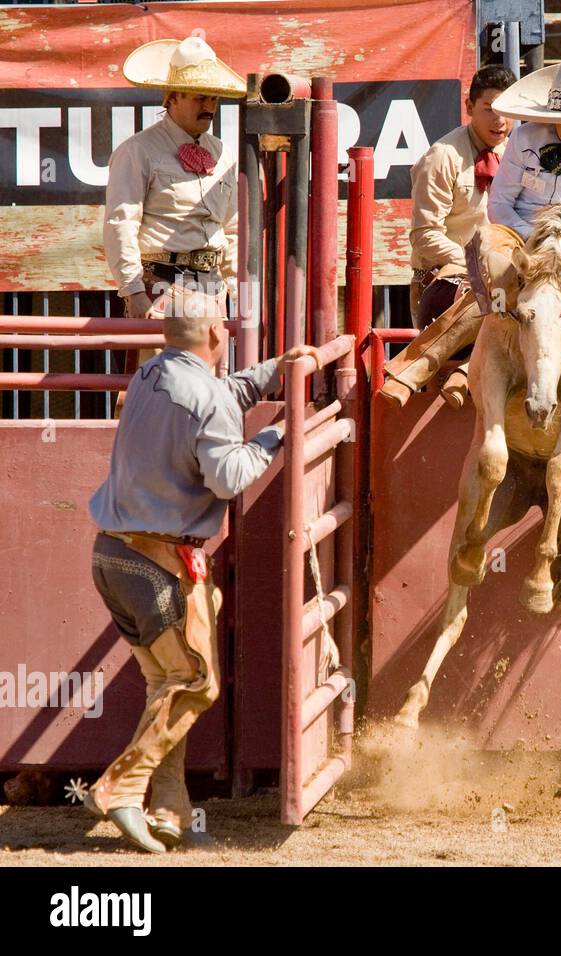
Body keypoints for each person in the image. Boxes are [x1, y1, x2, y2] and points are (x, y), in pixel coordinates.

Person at [85, 304, 318, 853]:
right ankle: (120, 788)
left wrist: (274, 370)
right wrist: (282, 433)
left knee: (166, 685)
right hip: (161, 564)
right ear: (217, 333)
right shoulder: (207, 396)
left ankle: (169, 809)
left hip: (112, 555)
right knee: (195, 683)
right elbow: (228, 477)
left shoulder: (148, 375)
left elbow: (217, 398)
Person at [380, 58, 561, 407]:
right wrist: (539, 243)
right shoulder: (524, 138)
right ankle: (428, 362)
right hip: (528, 239)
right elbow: (500, 205)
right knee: (487, 242)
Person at [104, 37, 245, 375]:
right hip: (161, 288)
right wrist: (135, 292)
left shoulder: (224, 152)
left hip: (212, 289)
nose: (209, 106)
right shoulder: (138, 150)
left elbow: (233, 228)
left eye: (212, 97)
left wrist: (238, 293)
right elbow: (121, 223)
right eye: (199, 96)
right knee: (159, 388)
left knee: (209, 390)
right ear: (173, 97)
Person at [408, 64, 515, 329]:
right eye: (489, 109)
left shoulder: (519, 153)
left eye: (505, 111)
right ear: (469, 107)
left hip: (503, 280)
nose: (499, 120)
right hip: (446, 282)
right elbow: (424, 235)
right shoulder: (443, 156)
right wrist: (475, 267)